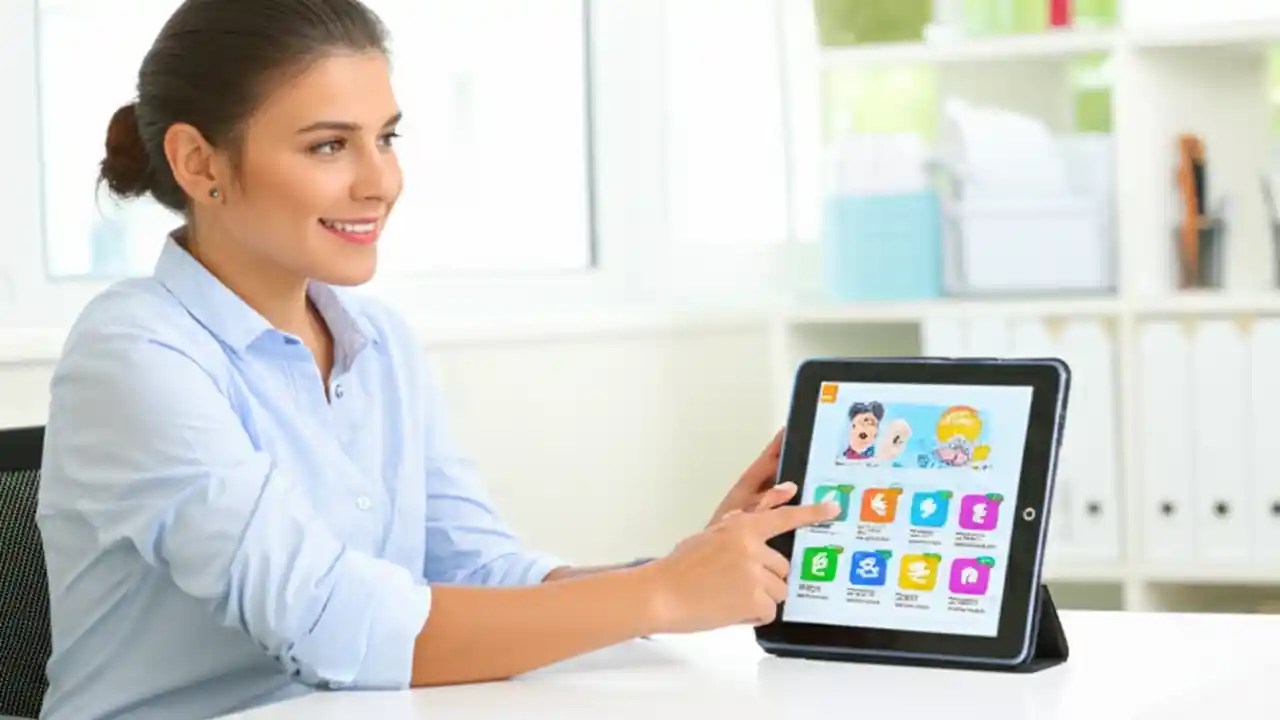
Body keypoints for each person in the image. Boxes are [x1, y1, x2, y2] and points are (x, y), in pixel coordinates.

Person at [34, 1, 839, 718]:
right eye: (327, 146)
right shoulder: (135, 353)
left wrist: (688, 569)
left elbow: (481, 572)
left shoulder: (377, 344)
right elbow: (333, 624)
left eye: (385, 138)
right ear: (200, 163)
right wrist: (655, 597)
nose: (379, 180)